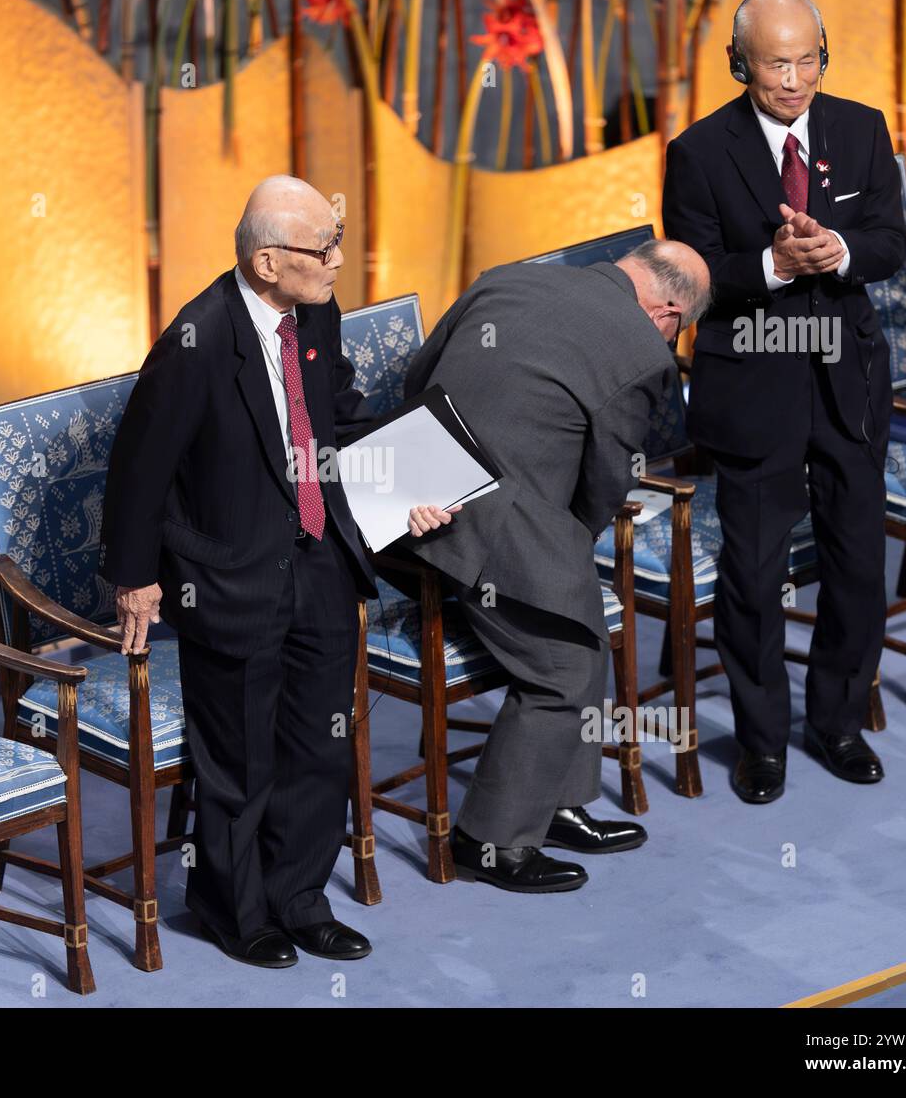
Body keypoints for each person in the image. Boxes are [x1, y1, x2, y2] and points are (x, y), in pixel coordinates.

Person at [99, 175, 449, 968]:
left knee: (318, 745)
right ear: (266, 261)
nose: (338, 259)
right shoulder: (195, 340)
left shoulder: (313, 313)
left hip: (321, 559)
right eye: (324, 246)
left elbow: (339, 414)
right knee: (241, 758)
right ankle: (233, 907)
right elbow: (140, 468)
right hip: (230, 576)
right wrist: (136, 579)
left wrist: (407, 485)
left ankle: (300, 897)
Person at [400, 240, 711, 892]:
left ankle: (556, 803)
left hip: (407, 490)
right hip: (472, 528)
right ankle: (489, 840)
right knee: (564, 665)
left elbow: (417, 376)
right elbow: (604, 479)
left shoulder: (506, 275)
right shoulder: (643, 352)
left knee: (584, 614)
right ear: (669, 314)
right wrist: (567, 538)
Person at [662, 0, 906, 803]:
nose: (795, 78)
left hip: (848, 384)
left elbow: (889, 244)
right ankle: (762, 743)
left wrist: (836, 250)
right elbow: (689, 281)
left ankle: (836, 723)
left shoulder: (862, 129)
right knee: (753, 580)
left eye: (808, 59)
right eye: (776, 63)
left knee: (858, 568)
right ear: (740, 63)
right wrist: (770, 266)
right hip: (753, 389)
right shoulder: (698, 153)